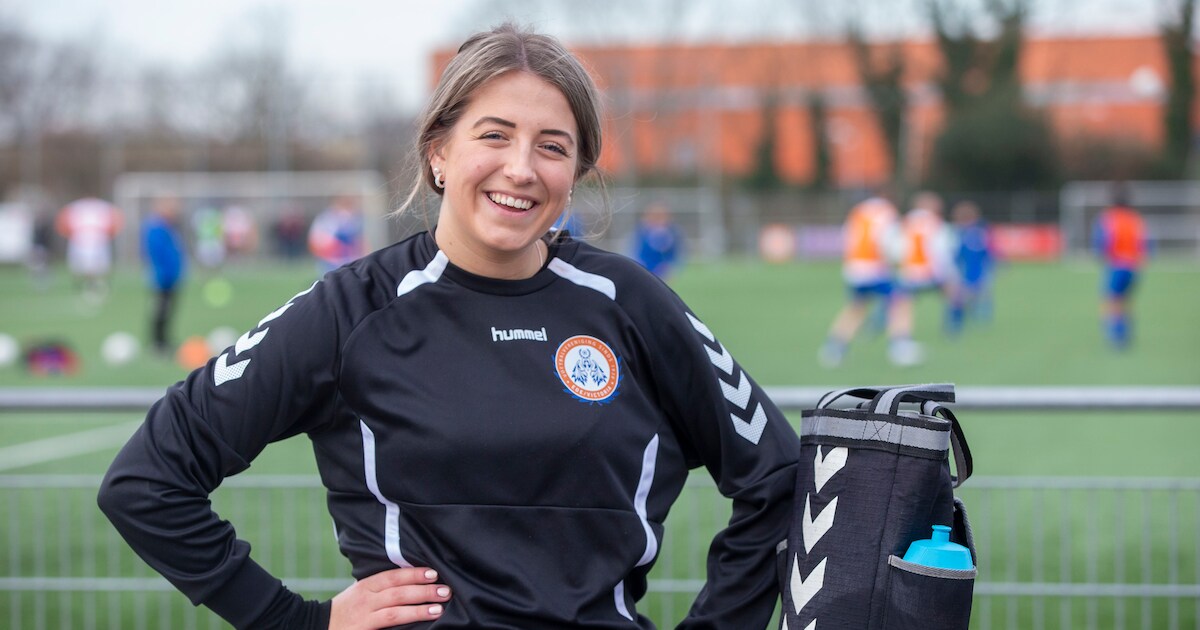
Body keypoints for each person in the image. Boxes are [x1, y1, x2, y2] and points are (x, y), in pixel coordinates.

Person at [98, 23, 801, 630]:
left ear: (578, 170)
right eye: (494, 136)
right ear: (438, 150)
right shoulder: (353, 311)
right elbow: (147, 480)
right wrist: (291, 619)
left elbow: (776, 476)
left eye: (552, 147)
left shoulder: (632, 303)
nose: (521, 169)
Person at [818, 187, 903, 367]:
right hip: (875, 267)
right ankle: (899, 345)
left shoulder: (858, 211)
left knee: (857, 307)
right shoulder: (886, 211)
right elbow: (886, 240)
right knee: (898, 301)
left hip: (854, 267)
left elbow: (847, 236)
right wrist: (894, 260)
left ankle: (834, 347)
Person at [888, 191, 957, 364]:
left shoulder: (905, 222)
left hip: (909, 272)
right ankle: (952, 328)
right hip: (931, 271)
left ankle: (899, 342)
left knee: (903, 305)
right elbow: (943, 249)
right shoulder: (936, 222)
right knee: (953, 294)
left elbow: (894, 248)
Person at [1092, 183, 1149, 350]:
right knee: (1126, 300)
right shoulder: (1135, 219)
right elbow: (1144, 244)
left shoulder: (1108, 218)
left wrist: (1103, 255)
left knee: (1112, 300)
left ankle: (1116, 336)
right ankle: (1126, 332)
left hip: (1116, 265)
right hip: (1133, 266)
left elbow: (1103, 243)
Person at [142, 196, 187, 355]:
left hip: (172, 277)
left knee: (168, 310)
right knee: (160, 310)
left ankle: (165, 340)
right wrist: (162, 274)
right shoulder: (156, 227)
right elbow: (156, 253)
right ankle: (157, 343)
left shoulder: (169, 227)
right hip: (162, 278)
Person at [55, 195, 123, 302]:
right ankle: (87, 286)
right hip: (83, 240)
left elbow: (117, 220)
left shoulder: (102, 207)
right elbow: (62, 221)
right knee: (84, 266)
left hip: (96, 240)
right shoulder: (76, 208)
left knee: (98, 266)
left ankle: (96, 285)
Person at [948, 199, 994, 334]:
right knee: (963, 296)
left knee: (978, 294)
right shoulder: (958, 233)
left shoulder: (977, 232)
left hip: (974, 269)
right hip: (966, 270)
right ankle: (958, 321)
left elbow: (988, 251)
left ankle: (976, 317)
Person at [308, 196, 366, 274]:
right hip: (331, 261)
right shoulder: (326, 219)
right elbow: (318, 240)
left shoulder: (355, 219)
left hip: (351, 260)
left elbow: (360, 240)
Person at [631, 201, 684, 280]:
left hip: (663, 268)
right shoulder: (642, 232)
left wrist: (671, 266)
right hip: (644, 267)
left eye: (661, 216)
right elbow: (635, 249)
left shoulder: (672, 231)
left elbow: (676, 252)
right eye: (655, 216)